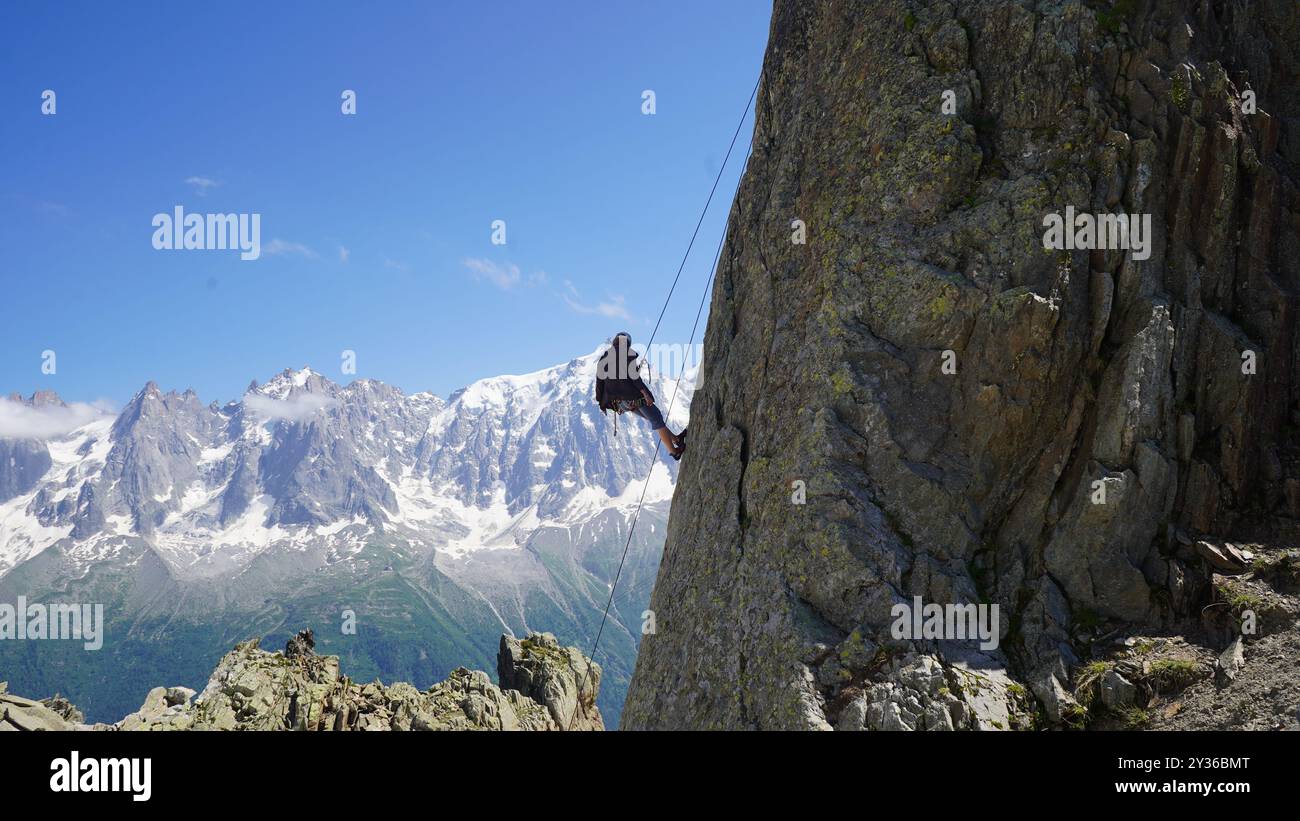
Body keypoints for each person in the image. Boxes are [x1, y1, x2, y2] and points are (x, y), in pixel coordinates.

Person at [595, 332, 686, 459]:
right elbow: (634, 377)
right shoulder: (626, 354)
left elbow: (599, 384)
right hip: (633, 398)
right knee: (656, 418)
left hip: (619, 404)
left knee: (652, 418)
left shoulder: (603, 359)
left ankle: (676, 439)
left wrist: (602, 404)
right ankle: (674, 452)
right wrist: (645, 394)